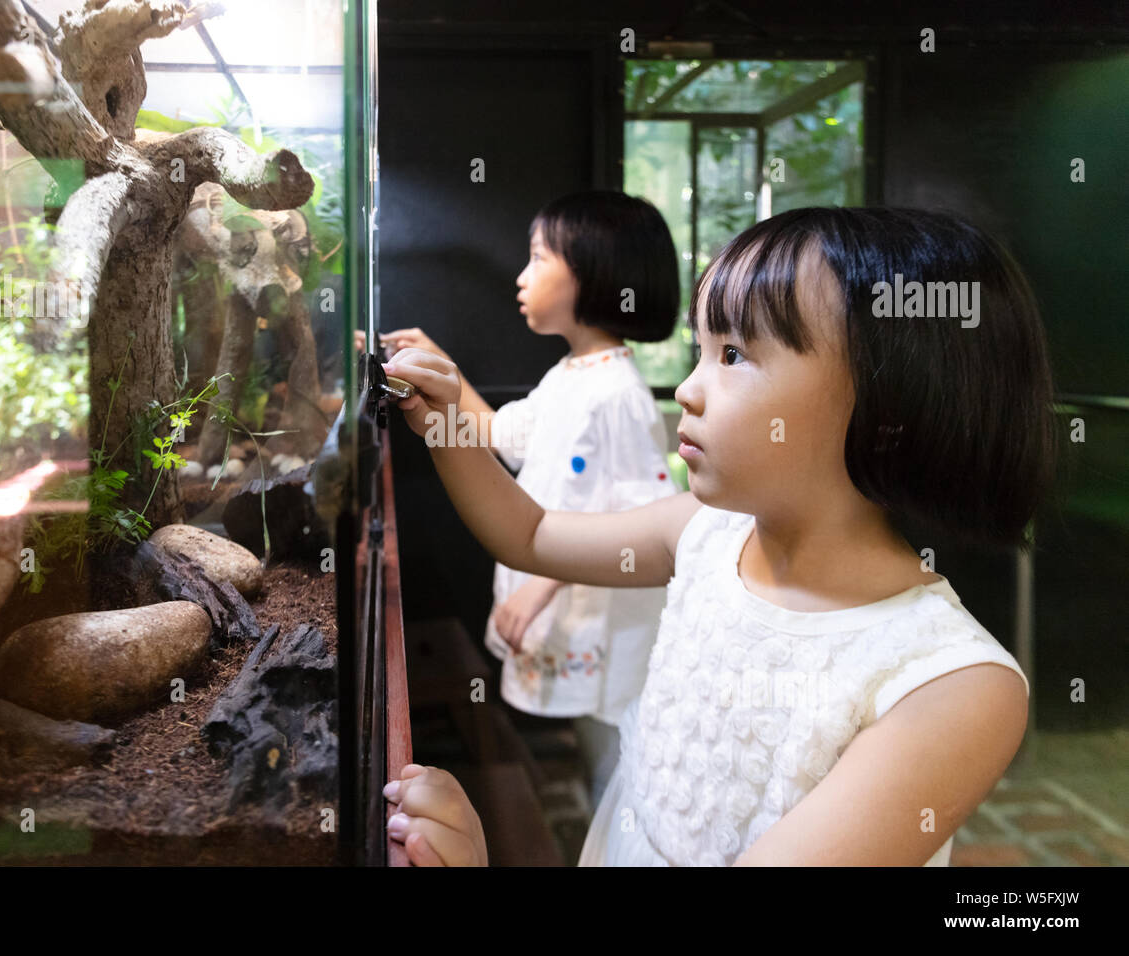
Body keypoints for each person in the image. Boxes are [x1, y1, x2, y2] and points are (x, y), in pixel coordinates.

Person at [377, 206, 1056, 866]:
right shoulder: (709, 532)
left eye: (732, 354)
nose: (692, 392)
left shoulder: (952, 686)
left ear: (893, 405)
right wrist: (443, 426)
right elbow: (531, 533)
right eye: (700, 352)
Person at [369, 191, 680, 809]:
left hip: (592, 607)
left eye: (538, 258)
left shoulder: (616, 393)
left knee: (621, 749)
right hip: (568, 594)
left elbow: (641, 520)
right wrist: (444, 374)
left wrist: (540, 584)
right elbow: (503, 437)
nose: (521, 276)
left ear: (592, 272)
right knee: (600, 745)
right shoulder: (572, 374)